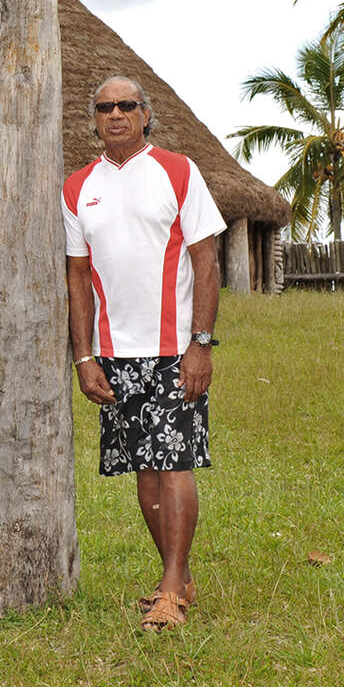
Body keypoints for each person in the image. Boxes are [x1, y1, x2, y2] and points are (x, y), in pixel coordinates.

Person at [62, 77, 225, 633]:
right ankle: (172, 578)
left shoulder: (177, 171)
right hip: (113, 355)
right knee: (144, 473)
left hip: (174, 349)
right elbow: (77, 275)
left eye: (126, 106)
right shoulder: (77, 188)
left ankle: (173, 588)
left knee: (173, 464)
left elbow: (206, 259)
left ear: (146, 114)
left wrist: (200, 345)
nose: (115, 114)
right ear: (94, 119)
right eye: (104, 107)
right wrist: (84, 358)